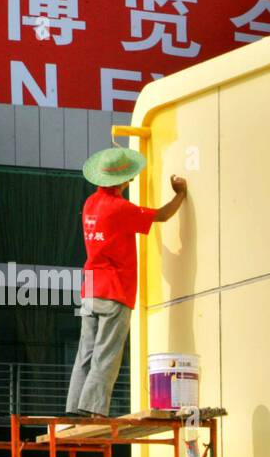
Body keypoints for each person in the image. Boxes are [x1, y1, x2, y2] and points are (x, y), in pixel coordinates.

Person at [64, 146, 187, 418]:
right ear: (121, 180)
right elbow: (163, 215)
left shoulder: (90, 204)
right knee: (107, 354)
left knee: (86, 352)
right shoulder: (120, 208)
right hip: (115, 291)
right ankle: (94, 409)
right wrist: (180, 194)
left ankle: (74, 408)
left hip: (90, 288)